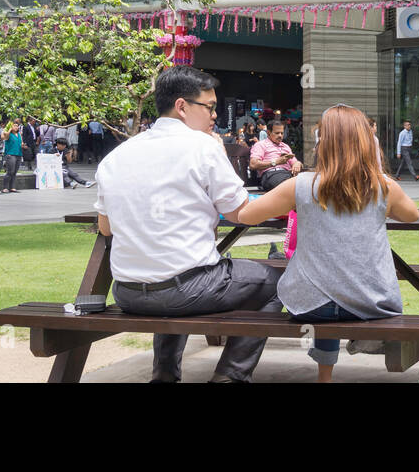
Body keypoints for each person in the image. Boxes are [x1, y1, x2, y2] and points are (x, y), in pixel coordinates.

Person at [98, 66, 282, 383]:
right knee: (277, 279)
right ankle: (230, 376)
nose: (214, 115)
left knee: (175, 271)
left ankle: (165, 375)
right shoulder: (203, 147)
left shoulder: (118, 155)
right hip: (186, 290)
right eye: (209, 107)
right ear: (183, 106)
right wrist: (289, 196)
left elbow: (105, 228)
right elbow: (240, 212)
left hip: (127, 291)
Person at [236, 104, 418, 382]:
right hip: (374, 302)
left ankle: (324, 376)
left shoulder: (301, 185)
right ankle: (366, 337)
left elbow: (247, 215)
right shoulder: (383, 186)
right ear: (365, 142)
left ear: (323, 142)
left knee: (317, 285)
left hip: (311, 307)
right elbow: (412, 215)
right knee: (338, 286)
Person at [250, 119, 303, 191]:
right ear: (268, 133)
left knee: (308, 182)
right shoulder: (261, 145)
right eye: (277, 133)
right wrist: (275, 162)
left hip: (287, 175)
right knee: (294, 185)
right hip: (271, 174)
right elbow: (253, 164)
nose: (280, 135)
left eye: (282, 133)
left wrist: (297, 164)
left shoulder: (285, 146)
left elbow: (294, 161)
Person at [0, 119, 23, 193]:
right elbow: (4, 137)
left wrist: (23, 145)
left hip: (18, 154)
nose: (16, 127)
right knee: (10, 171)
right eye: (14, 126)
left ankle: (12, 187)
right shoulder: (8, 134)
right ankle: (5, 187)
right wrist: (9, 129)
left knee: (15, 172)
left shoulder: (19, 134)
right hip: (11, 154)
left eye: (17, 126)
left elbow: (21, 142)